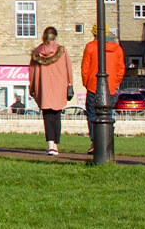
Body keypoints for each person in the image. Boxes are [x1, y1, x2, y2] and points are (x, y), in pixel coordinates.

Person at [29, 26, 73, 155]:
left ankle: (50, 144)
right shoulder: (62, 51)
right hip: (59, 87)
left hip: (43, 87)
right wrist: (70, 84)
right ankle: (55, 144)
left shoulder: (37, 52)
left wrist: (32, 88)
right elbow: (68, 68)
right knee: (57, 116)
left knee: (47, 116)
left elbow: (32, 72)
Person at [81, 25, 124, 154]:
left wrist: (86, 83)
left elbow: (85, 68)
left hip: (94, 85)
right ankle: (107, 142)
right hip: (110, 86)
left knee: (92, 114)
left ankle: (95, 141)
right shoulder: (117, 49)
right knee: (108, 114)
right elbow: (120, 69)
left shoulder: (91, 47)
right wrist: (115, 83)